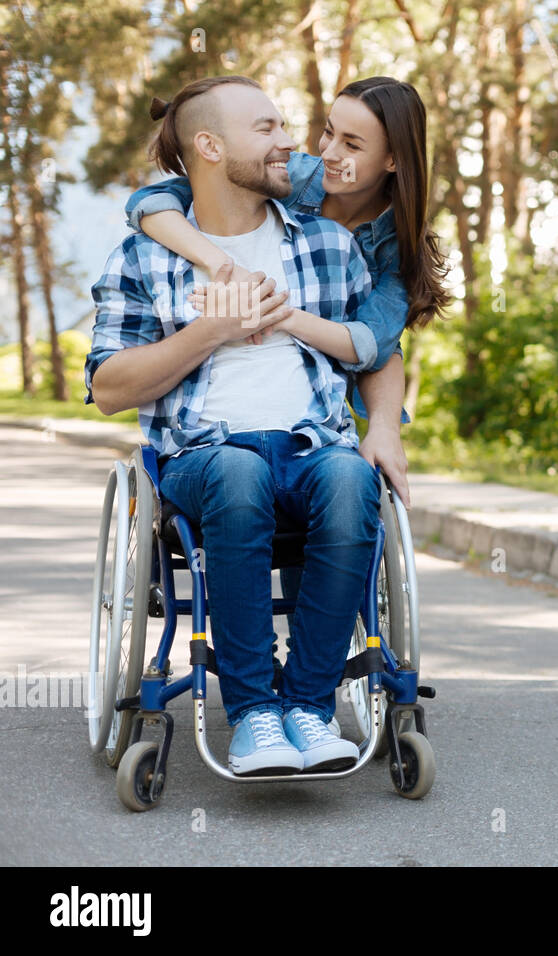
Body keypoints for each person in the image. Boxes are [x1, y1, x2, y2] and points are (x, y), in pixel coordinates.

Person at [86, 75, 385, 775]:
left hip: (314, 446)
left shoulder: (330, 248)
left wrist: (385, 430)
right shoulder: (143, 257)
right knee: (239, 469)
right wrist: (212, 330)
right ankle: (253, 714)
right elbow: (107, 388)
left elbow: (379, 350)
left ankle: (310, 709)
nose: (290, 141)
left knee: (349, 475)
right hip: (203, 455)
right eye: (268, 128)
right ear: (211, 146)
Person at [124, 75, 450, 507]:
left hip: (316, 391)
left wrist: (385, 429)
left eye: (351, 146)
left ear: (392, 159)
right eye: (329, 132)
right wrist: (225, 266)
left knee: (336, 488)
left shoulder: (398, 250)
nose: (328, 153)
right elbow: (151, 204)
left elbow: (376, 347)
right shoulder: (297, 176)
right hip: (236, 370)